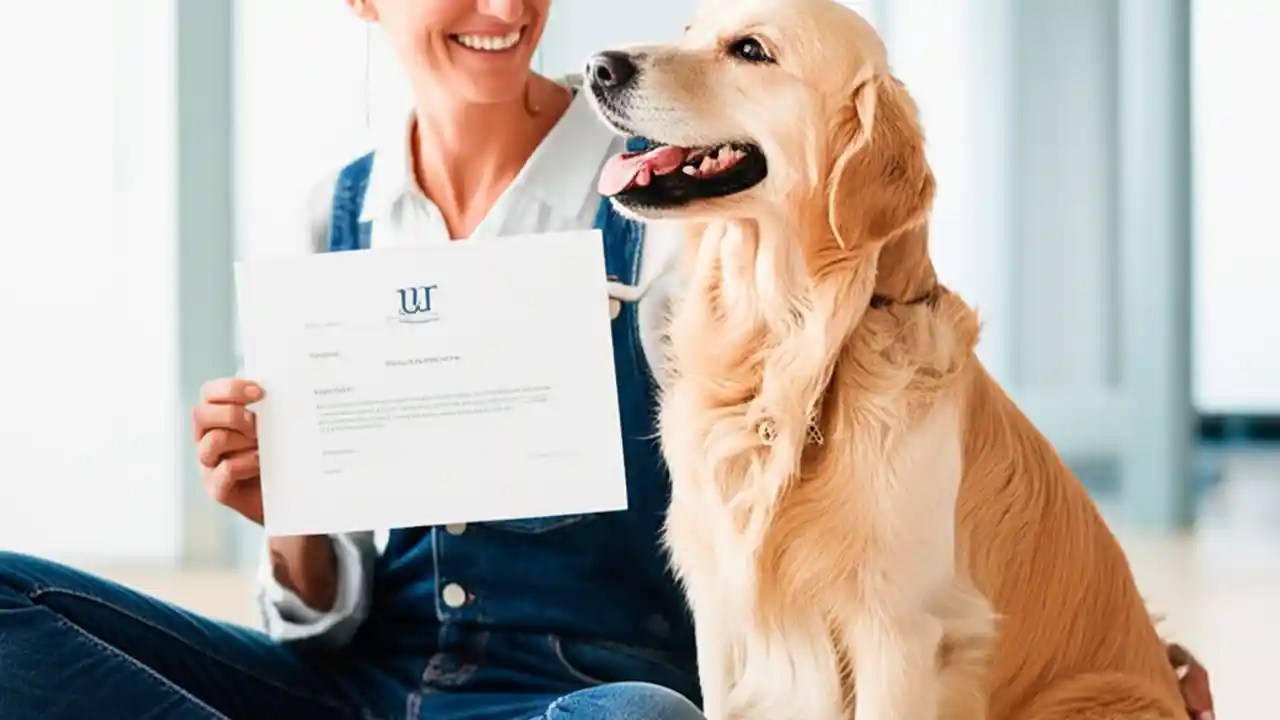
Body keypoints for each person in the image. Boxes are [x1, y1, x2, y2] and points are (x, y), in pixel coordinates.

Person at [0, 2, 1215, 719]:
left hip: (582, 693)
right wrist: (286, 518)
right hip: (365, 688)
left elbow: (884, 419)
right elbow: (326, 610)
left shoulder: (683, 191)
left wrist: (1110, 653)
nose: (504, 3)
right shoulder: (336, 212)